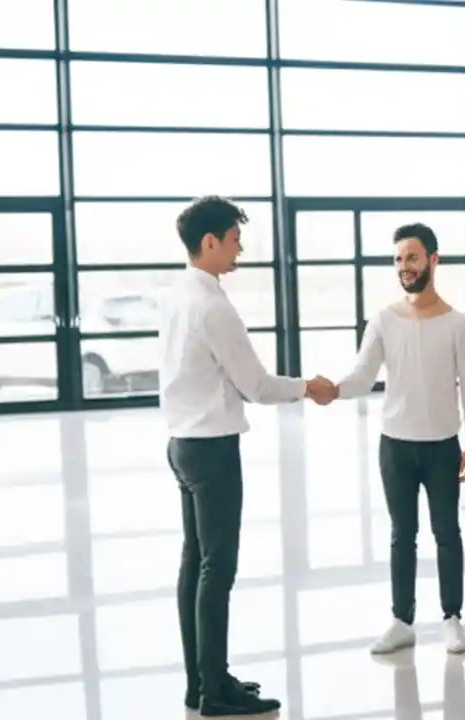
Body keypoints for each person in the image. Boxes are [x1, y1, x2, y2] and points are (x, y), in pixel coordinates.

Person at [159, 195, 332, 717]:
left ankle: (201, 681)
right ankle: (215, 694)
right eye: (234, 238)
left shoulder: (177, 296)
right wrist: (309, 386)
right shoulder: (212, 304)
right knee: (218, 569)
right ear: (209, 241)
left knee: (196, 563)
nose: (240, 247)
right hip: (212, 451)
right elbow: (255, 385)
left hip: (182, 444)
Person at [321, 222, 465, 656]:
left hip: (442, 447)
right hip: (395, 444)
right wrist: (332, 388)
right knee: (402, 534)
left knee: (446, 531)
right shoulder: (383, 320)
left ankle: (452, 618)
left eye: (412, 257)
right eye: (397, 259)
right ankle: (402, 620)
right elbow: (361, 375)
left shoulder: (458, 324)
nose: (404, 266)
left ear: (433, 259)